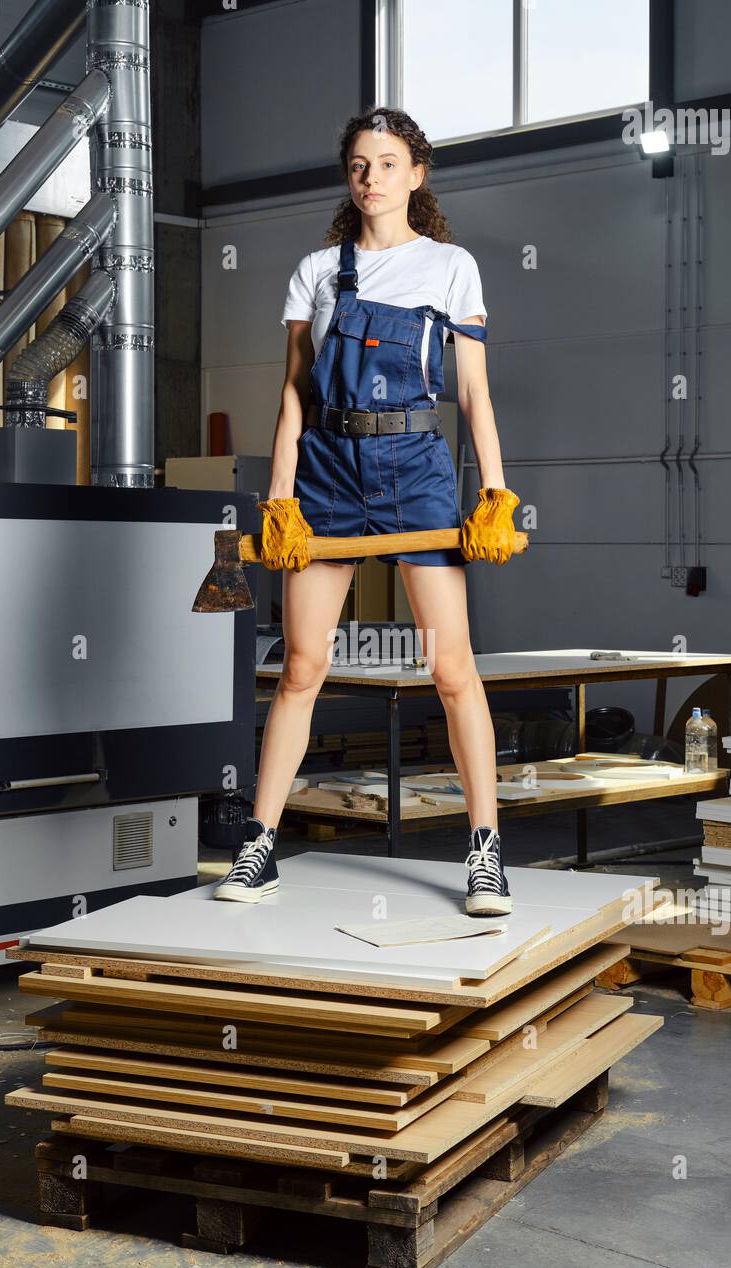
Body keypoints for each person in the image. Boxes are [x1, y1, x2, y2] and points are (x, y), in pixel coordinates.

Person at [215, 106, 521, 914]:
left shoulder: (451, 266)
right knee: (302, 669)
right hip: (328, 470)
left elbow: (474, 391)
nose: (372, 177)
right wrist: (277, 500)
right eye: (359, 164)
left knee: (453, 670)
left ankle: (485, 854)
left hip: (416, 466)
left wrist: (494, 489)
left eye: (387, 163)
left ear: (415, 175)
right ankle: (258, 848)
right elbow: (293, 393)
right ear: (348, 177)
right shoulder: (317, 271)